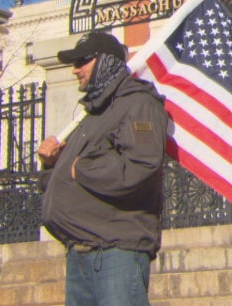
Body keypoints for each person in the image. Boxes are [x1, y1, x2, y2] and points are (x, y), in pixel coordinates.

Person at [37, 31, 169, 306]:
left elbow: (140, 167)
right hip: (81, 252)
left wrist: (82, 168)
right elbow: (71, 178)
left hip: (116, 252)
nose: (75, 70)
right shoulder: (94, 114)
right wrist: (52, 166)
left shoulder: (138, 104)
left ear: (106, 61)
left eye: (82, 61)